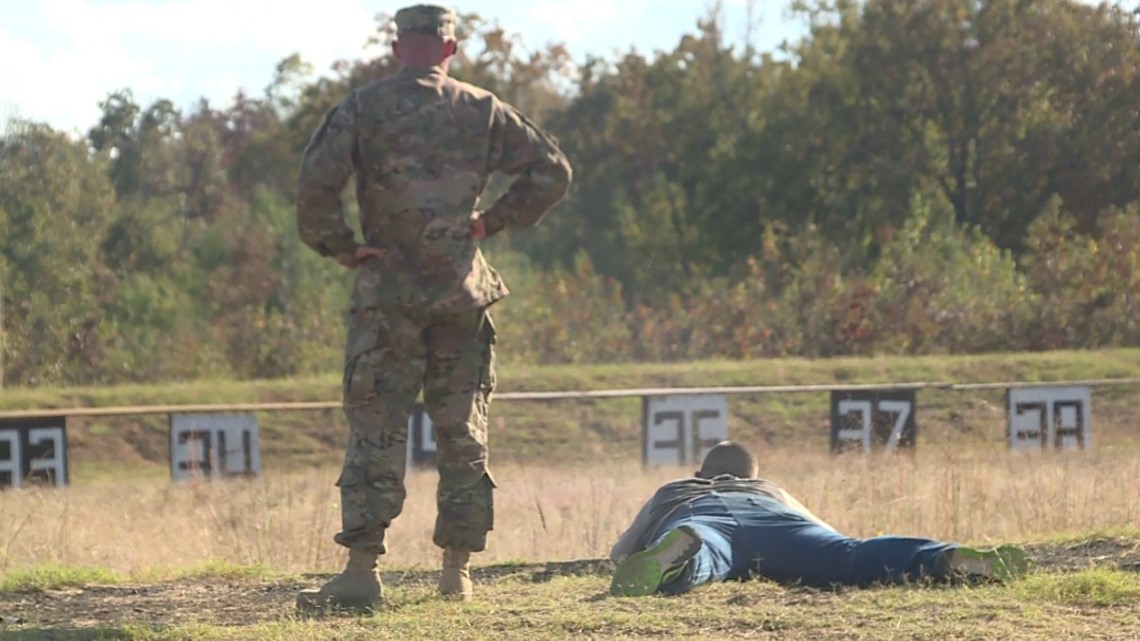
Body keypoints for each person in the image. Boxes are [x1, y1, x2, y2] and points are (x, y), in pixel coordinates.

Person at [292, 3, 572, 612]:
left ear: (398, 48)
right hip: (460, 293)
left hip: (387, 294)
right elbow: (552, 172)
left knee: (377, 427)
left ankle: (363, 573)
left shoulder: (363, 109)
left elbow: (314, 184)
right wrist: (489, 221)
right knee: (462, 430)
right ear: (450, 49)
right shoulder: (481, 109)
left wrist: (343, 248)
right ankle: (456, 574)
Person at [609, 441, 1031, 597]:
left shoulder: (678, 488)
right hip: (776, 520)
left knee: (708, 554)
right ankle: (941, 557)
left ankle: (680, 559)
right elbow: (824, 534)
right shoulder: (771, 488)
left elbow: (622, 552)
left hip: (701, 518)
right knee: (849, 555)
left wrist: (639, 553)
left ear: (700, 472)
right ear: (753, 476)